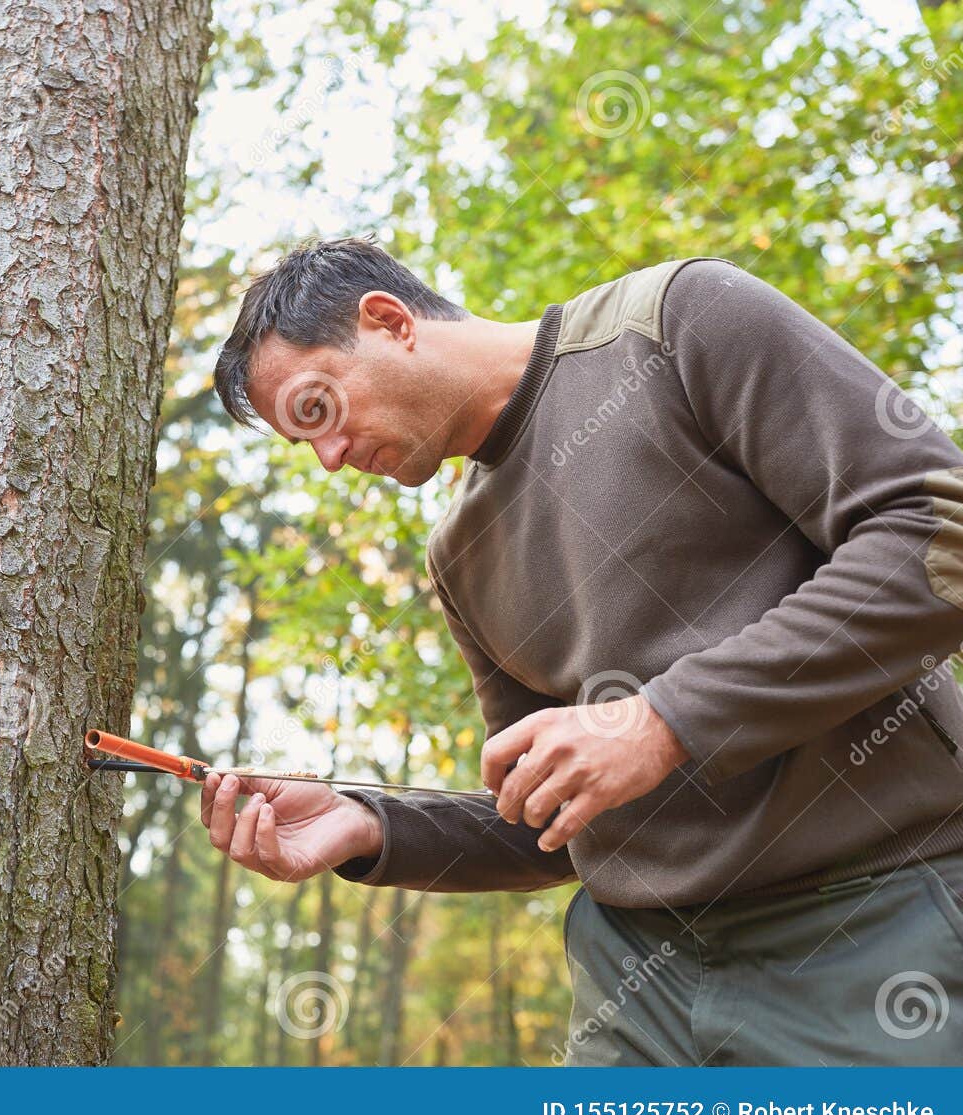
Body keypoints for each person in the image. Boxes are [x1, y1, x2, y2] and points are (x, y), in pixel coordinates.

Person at [201, 236, 963, 1065]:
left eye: (319, 408)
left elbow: (938, 538)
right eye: (303, 443)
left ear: (388, 322)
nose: (330, 456)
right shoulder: (458, 554)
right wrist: (372, 826)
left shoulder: (677, 324)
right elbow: (552, 814)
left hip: (873, 922)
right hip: (637, 981)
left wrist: (666, 721)